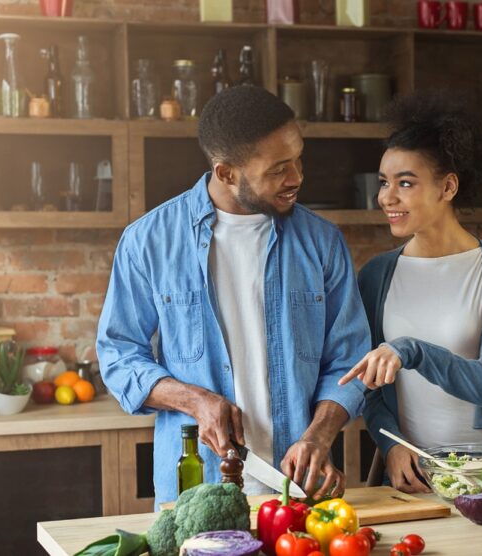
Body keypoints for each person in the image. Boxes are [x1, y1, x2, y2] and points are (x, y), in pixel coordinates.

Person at [97, 86, 369, 505]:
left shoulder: (322, 243)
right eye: (278, 169)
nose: (297, 177)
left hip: (300, 494)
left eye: (298, 158)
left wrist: (319, 437)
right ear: (226, 173)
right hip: (196, 491)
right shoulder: (148, 241)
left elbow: (349, 359)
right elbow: (118, 357)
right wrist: (195, 400)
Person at [339, 91, 482, 493]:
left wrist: (410, 350)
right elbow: (372, 389)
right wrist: (391, 445)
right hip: (413, 480)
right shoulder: (377, 274)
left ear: (447, 187)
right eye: (384, 182)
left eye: (405, 183)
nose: (386, 197)